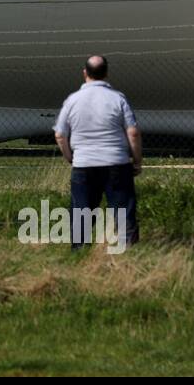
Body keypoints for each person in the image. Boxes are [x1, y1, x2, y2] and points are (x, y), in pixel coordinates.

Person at [53, 55, 142, 250]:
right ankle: (126, 250)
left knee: (81, 211)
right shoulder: (118, 98)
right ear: (106, 73)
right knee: (122, 210)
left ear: (85, 73)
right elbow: (133, 132)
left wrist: (70, 158)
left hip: (83, 163)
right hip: (116, 162)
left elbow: (60, 135)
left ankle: (79, 252)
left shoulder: (72, 100)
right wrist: (136, 161)